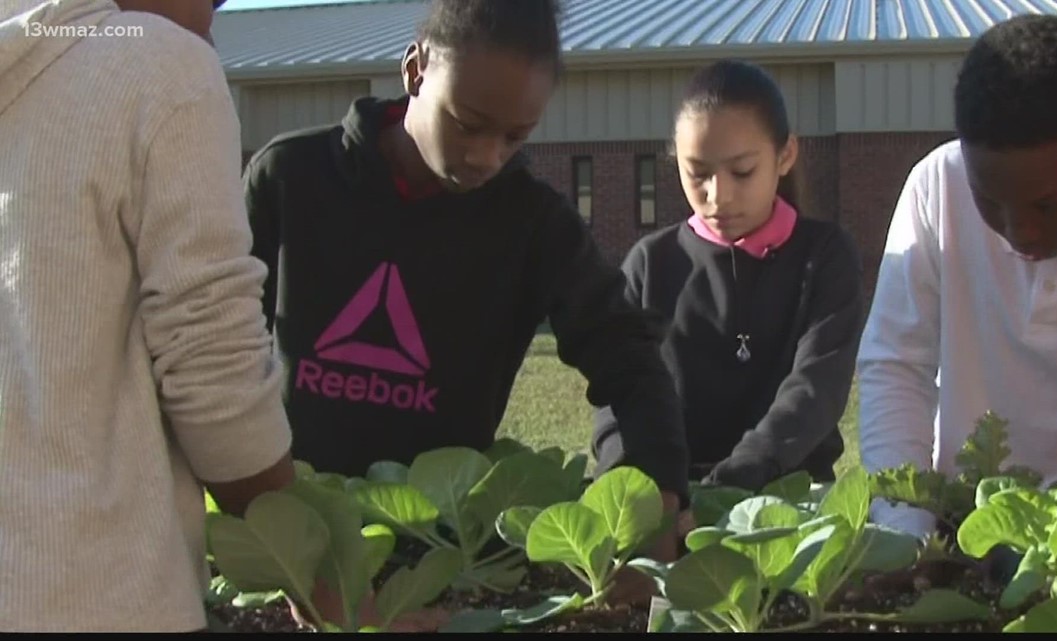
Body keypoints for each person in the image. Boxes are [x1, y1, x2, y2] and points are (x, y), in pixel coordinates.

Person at [242, 0, 689, 585]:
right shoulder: (292, 178)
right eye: (467, 123)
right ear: (416, 69)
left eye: (514, 136)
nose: (486, 156)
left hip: (442, 553)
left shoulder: (534, 223)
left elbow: (627, 358)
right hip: (292, 539)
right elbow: (214, 345)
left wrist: (651, 496)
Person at [0, 0, 297, 632]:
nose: (213, 21)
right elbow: (211, 362)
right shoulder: (158, 65)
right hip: (94, 591)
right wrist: (308, 562)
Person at [857, 13, 1057, 541]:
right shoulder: (937, 185)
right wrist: (903, 531)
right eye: (989, 201)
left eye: (1048, 206)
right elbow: (895, 366)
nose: (1018, 232)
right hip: (959, 534)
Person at [594, 60, 864, 503]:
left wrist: (734, 483)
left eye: (742, 172)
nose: (718, 196)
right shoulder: (650, 264)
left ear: (785, 155)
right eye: (697, 173)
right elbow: (617, 398)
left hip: (792, 497)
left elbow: (817, 389)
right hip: (668, 500)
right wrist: (636, 492)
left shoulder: (825, 256)